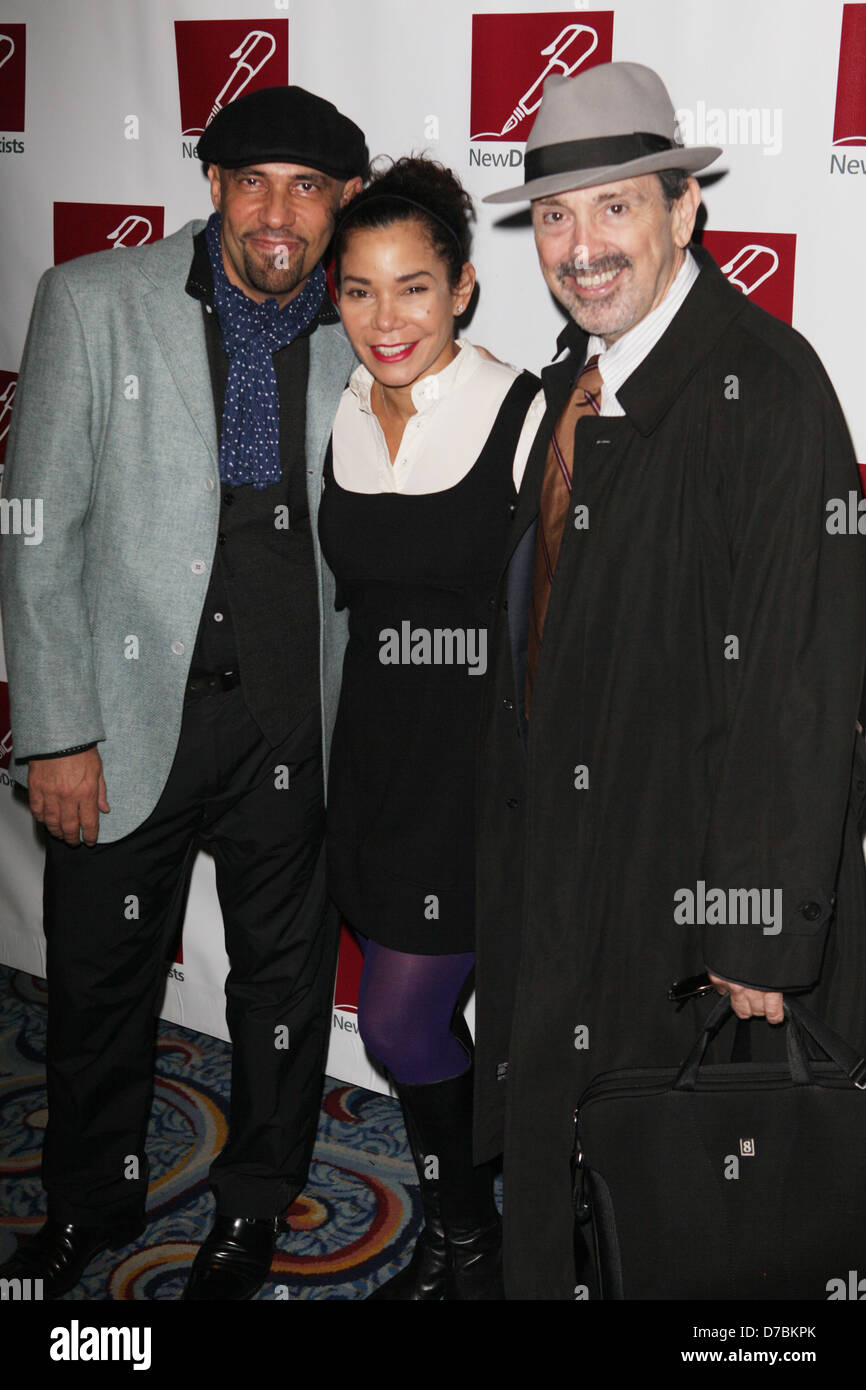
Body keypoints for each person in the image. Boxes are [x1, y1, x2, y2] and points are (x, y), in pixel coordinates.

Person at [472, 61, 866, 1299]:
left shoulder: (767, 386)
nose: (579, 247)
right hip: (564, 864)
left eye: (615, 208)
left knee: (682, 1199)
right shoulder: (568, 382)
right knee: (556, 1139)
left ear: (683, 213)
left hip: (685, 879)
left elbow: (803, 673)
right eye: (551, 215)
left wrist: (753, 924)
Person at [0, 85, 366, 1301]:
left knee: (281, 993)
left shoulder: (365, 325)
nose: (278, 212)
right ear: (209, 186)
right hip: (125, 722)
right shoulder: (94, 300)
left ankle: (253, 1206)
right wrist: (56, 731)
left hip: (292, 731)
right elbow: (39, 533)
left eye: (308, 188)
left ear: (341, 204)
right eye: (253, 180)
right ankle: (88, 1202)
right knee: (99, 993)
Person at [318, 156, 542, 1299]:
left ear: (461, 287)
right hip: (372, 762)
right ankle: (466, 1223)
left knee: (404, 1026)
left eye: (413, 287)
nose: (384, 317)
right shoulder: (340, 407)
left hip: (479, 779)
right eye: (357, 290)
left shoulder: (527, 412)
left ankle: (472, 1234)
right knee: (415, 1025)